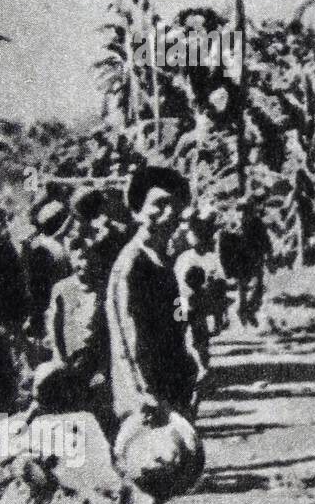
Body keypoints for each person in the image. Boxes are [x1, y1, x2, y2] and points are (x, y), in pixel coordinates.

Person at [106, 166, 202, 422]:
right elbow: (124, 336)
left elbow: (179, 314)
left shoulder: (167, 259)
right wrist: (143, 393)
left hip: (175, 384)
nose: (168, 212)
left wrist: (191, 359)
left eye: (174, 204)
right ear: (138, 211)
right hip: (145, 396)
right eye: (159, 204)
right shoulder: (131, 264)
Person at [36, 235, 114, 429]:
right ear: (71, 259)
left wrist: (102, 369)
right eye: (79, 259)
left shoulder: (103, 290)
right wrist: (60, 359)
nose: (84, 263)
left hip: (93, 364)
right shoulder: (62, 289)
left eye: (89, 258)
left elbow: (108, 334)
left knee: (100, 413)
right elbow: (54, 327)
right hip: (68, 363)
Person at [0, 197, 32, 414]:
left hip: (8, 318)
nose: (0, 221)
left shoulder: (4, 245)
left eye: (0, 217)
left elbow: (17, 279)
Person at [174, 203, 230, 371]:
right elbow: (178, 282)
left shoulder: (211, 259)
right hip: (182, 301)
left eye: (200, 234)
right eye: (194, 234)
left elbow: (220, 284)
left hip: (198, 304)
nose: (197, 238)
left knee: (201, 337)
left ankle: (203, 368)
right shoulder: (184, 258)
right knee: (179, 334)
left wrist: (220, 314)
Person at [21, 197, 73, 341]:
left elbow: (35, 287)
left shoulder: (41, 246)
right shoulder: (56, 246)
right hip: (57, 304)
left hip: (47, 306)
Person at [219, 202, 272, 329]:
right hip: (241, 261)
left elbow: (266, 240)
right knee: (242, 287)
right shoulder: (233, 225)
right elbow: (225, 244)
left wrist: (269, 255)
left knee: (258, 286)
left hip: (255, 259)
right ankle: (243, 310)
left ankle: (250, 309)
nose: (243, 215)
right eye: (240, 212)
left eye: (246, 212)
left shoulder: (258, 223)